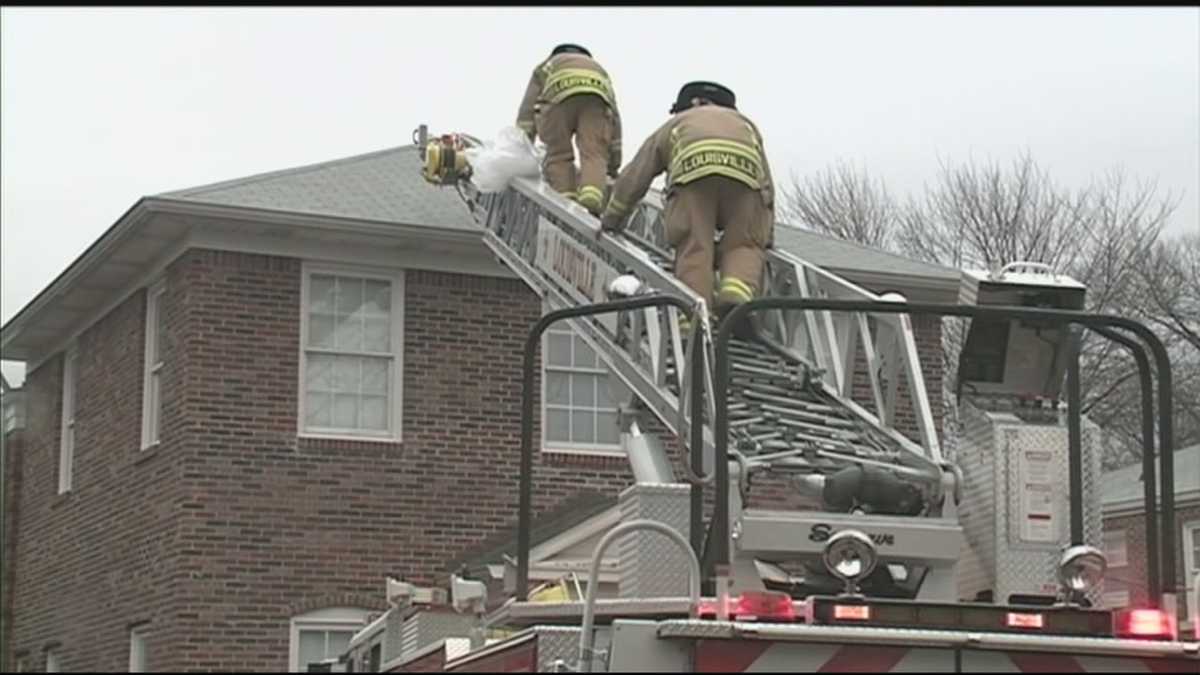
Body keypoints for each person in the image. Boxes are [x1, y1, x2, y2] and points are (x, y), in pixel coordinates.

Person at [599, 81, 775, 326]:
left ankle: (692, 317)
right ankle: (735, 296)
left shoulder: (677, 124)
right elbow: (767, 187)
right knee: (744, 243)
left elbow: (637, 175)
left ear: (689, 105)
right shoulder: (747, 126)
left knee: (695, 246)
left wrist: (612, 218)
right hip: (745, 182)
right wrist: (766, 235)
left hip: (693, 179)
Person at [515, 43, 623, 216]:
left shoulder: (546, 66)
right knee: (594, 153)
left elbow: (527, 108)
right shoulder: (599, 70)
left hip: (557, 102)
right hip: (596, 100)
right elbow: (615, 118)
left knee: (558, 154)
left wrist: (522, 144)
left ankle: (565, 198)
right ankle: (592, 196)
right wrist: (613, 164)